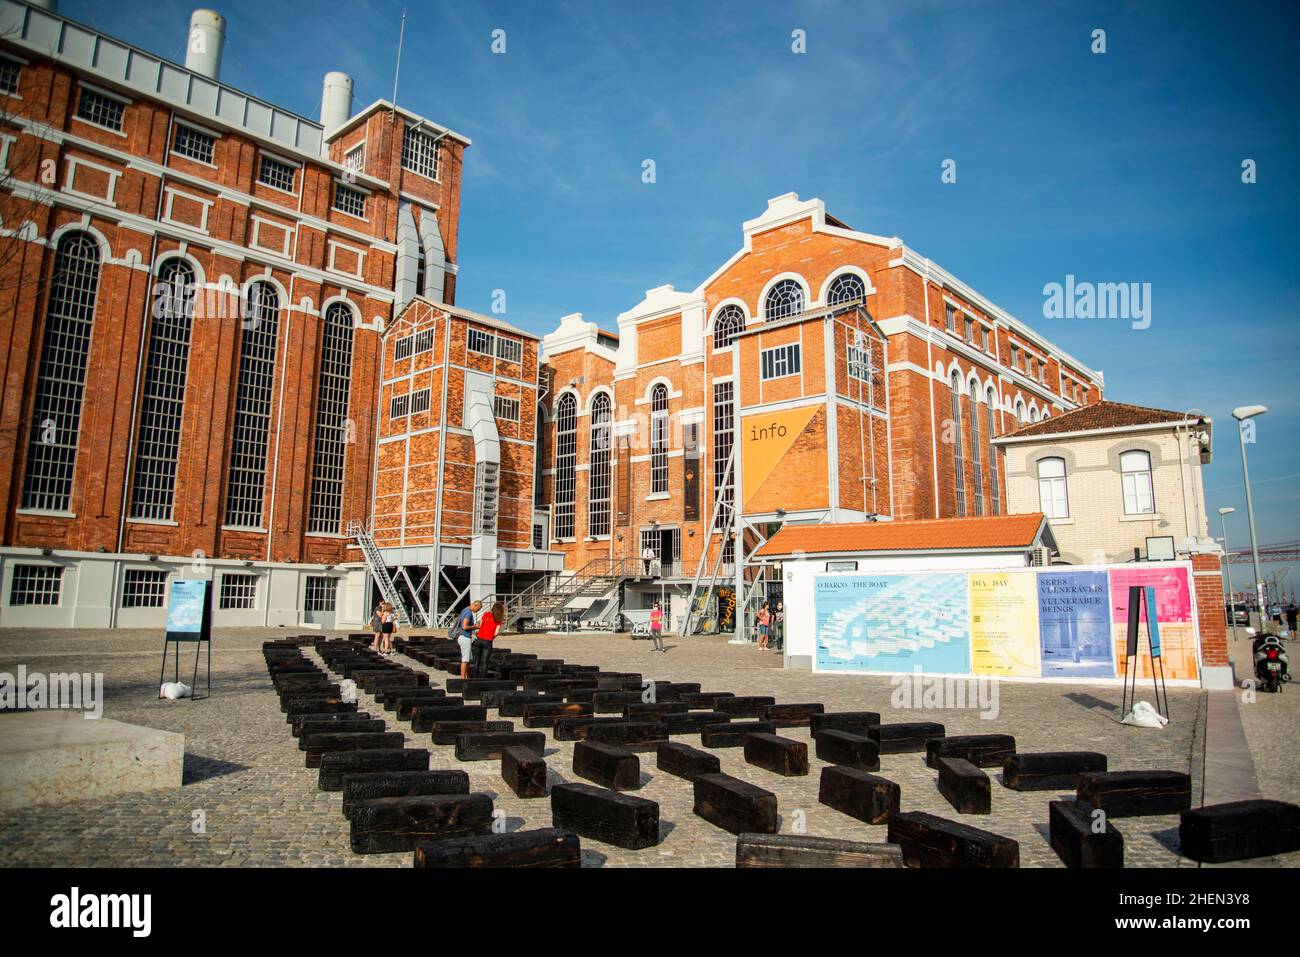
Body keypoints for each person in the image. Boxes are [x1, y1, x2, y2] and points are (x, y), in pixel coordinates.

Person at [472, 601, 503, 678]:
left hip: (479, 638)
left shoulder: (486, 614)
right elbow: (496, 633)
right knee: (484, 662)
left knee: (476, 661)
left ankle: (473, 678)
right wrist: (491, 637)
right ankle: (482, 679)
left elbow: (480, 625)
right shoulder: (498, 620)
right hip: (488, 641)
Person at [454, 600, 481, 679]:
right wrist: (475, 627)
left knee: (468, 659)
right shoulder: (468, 613)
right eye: (478, 609)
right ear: (475, 606)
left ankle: (468, 677)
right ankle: (463, 678)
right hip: (465, 637)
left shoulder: (465, 610)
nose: (477, 611)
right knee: (465, 659)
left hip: (463, 636)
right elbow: (465, 626)